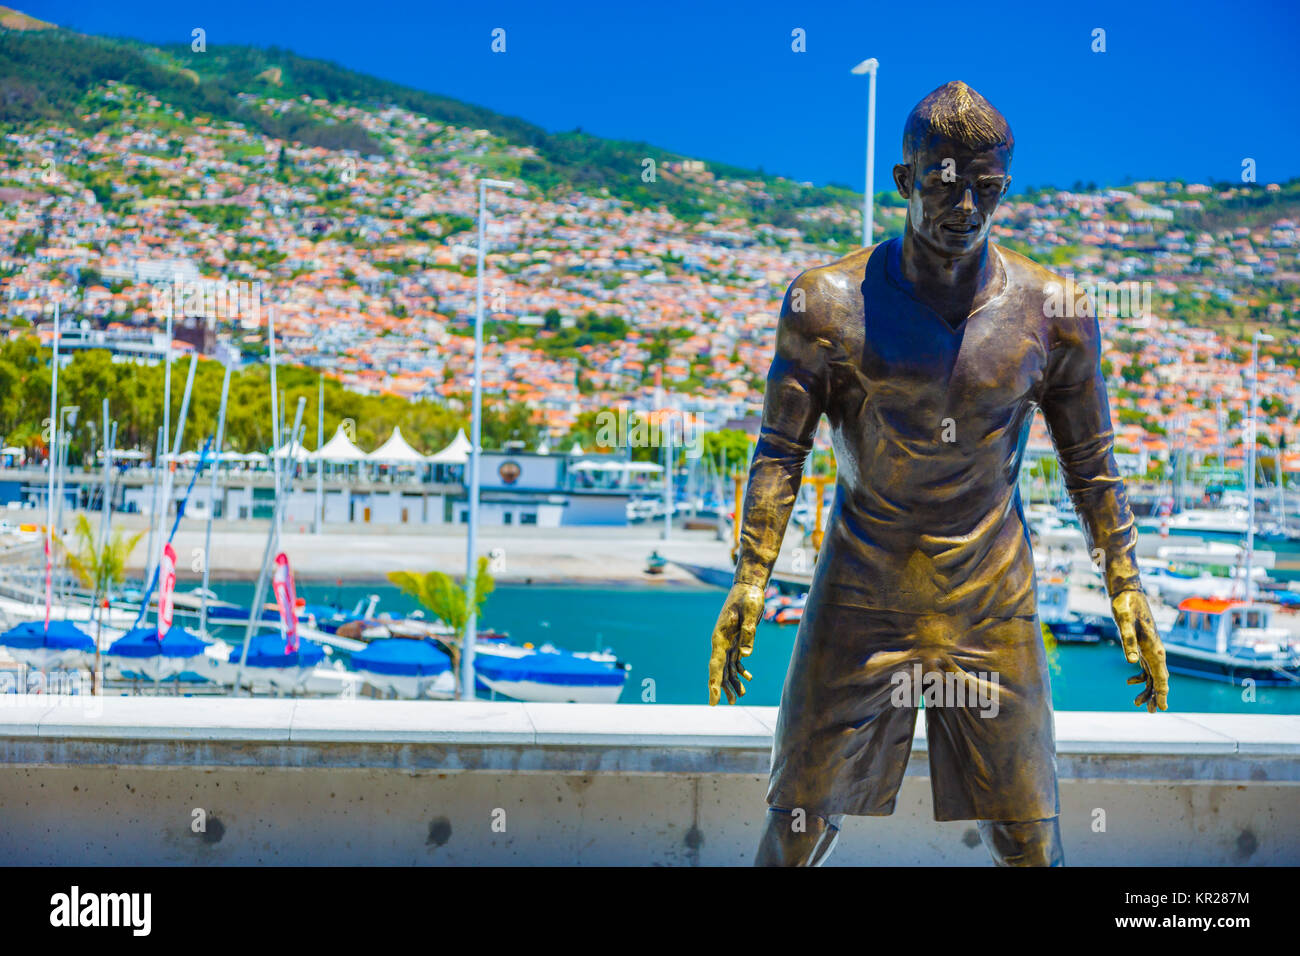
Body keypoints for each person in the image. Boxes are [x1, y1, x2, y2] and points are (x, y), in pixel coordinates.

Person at [707, 81, 1169, 867]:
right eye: (945, 184)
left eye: (987, 191)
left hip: (990, 599)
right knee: (798, 823)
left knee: (1028, 836)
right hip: (861, 592)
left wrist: (1125, 583)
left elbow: (1090, 463)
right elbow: (780, 450)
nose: (966, 209)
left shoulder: (1055, 310)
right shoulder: (825, 304)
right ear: (904, 181)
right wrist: (751, 577)